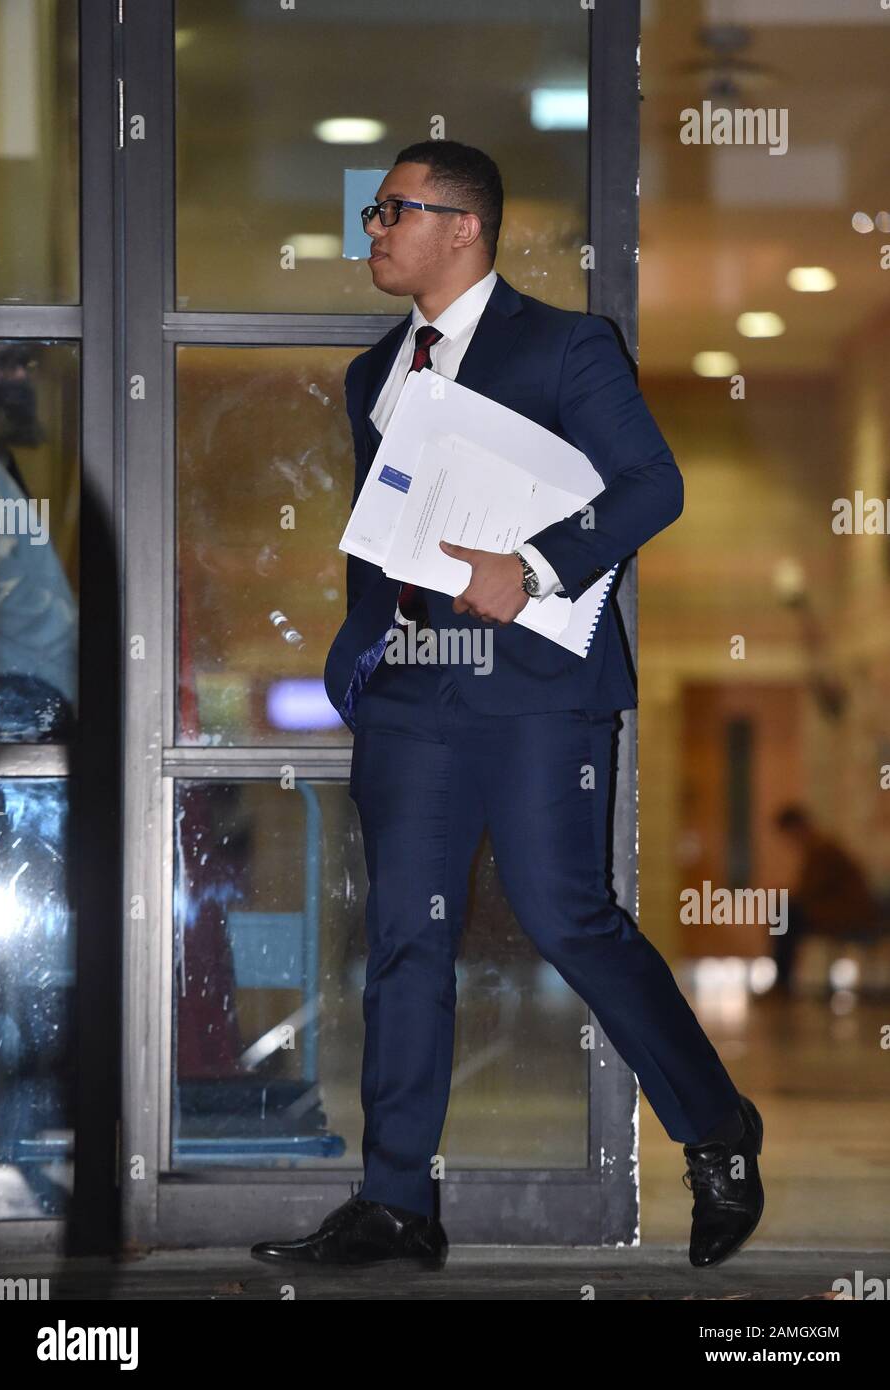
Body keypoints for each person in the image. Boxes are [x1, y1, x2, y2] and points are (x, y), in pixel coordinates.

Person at [251, 141, 763, 1272]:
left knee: (566, 914)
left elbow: (653, 486)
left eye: (393, 210)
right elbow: (380, 534)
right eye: (374, 211)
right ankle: (396, 1202)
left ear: (463, 228)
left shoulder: (567, 346)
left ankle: (718, 1130)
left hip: (538, 692)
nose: (372, 230)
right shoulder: (374, 369)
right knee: (403, 942)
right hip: (413, 695)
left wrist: (530, 567)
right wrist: (357, 667)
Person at [770, 803, 880, 996]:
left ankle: (782, 982)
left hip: (847, 914)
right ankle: (782, 981)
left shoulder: (823, 850)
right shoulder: (819, 848)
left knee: (783, 914)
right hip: (837, 911)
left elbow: (811, 891)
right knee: (783, 913)